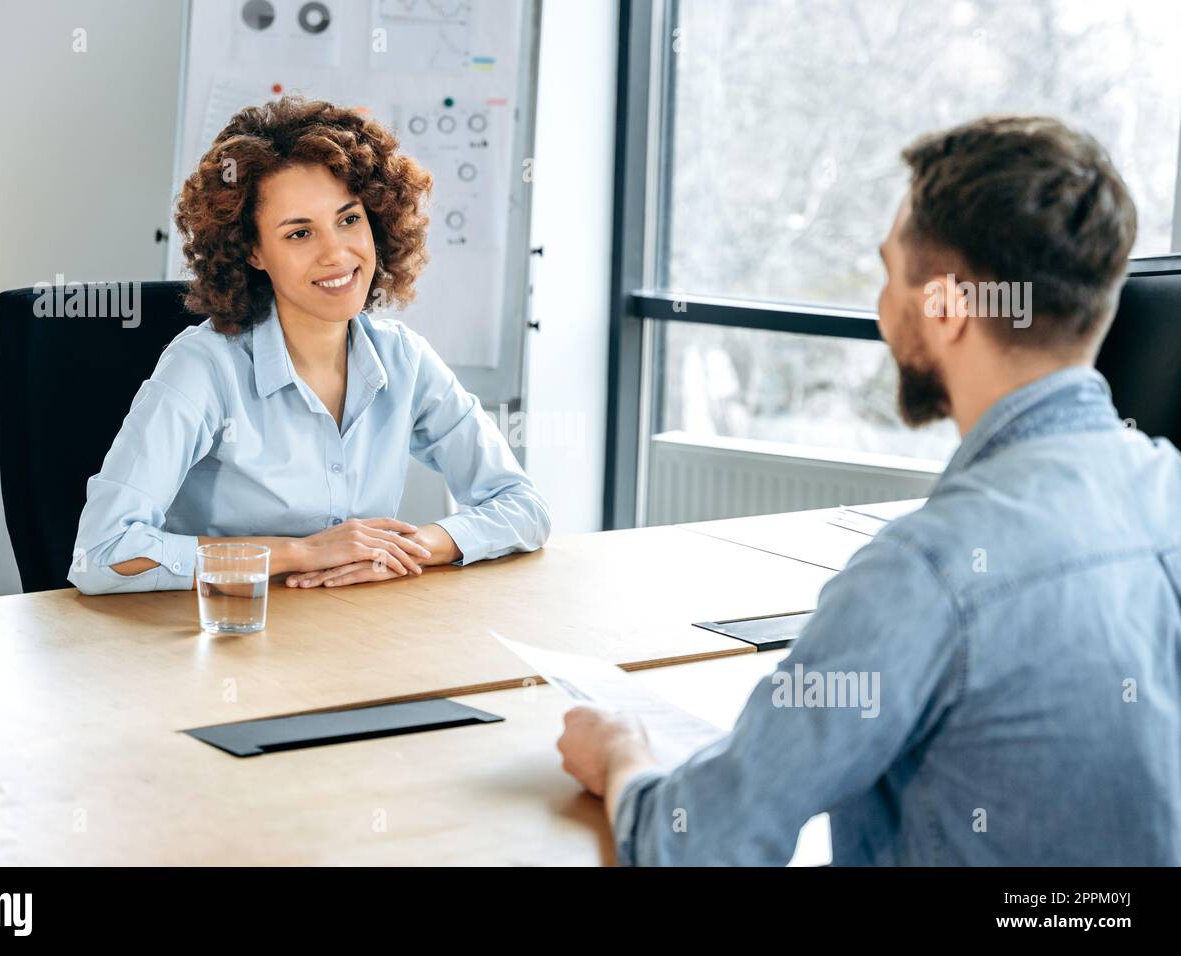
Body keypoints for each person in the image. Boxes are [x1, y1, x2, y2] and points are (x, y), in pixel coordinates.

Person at [558, 115, 1181, 865]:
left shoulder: (926, 571)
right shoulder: (1167, 491)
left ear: (947, 308)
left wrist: (623, 754)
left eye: (892, 275)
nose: (884, 309)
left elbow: (701, 844)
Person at [68, 96, 549, 595]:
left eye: (348, 220)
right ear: (252, 250)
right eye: (299, 233)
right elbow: (101, 552)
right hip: (228, 642)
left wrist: (412, 547)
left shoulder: (403, 359)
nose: (336, 254)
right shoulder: (204, 368)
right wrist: (299, 551)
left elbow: (523, 506)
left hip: (354, 637)